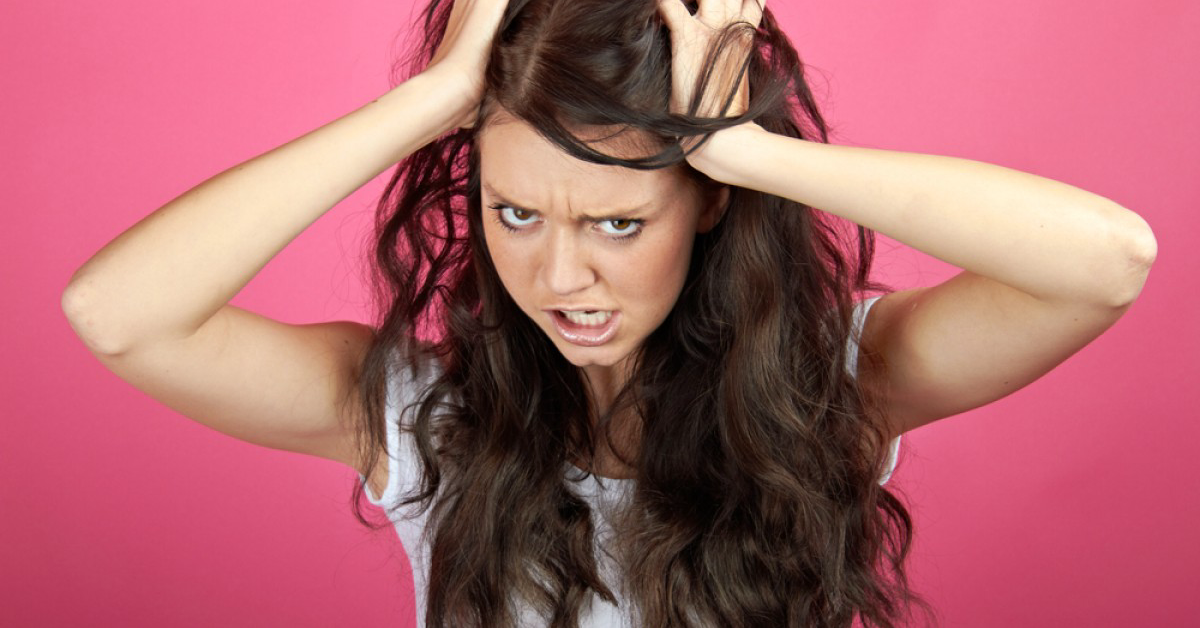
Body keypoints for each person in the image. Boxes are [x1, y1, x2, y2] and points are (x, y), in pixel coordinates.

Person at [60, 0, 1156, 625]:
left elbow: (1106, 261)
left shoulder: (831, 388)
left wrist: (745, 148)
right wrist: (430, 103)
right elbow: (119, 311)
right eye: (517, 212)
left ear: (709, 206)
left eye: (619, 224)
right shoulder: (422, 419)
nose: (562, 276)